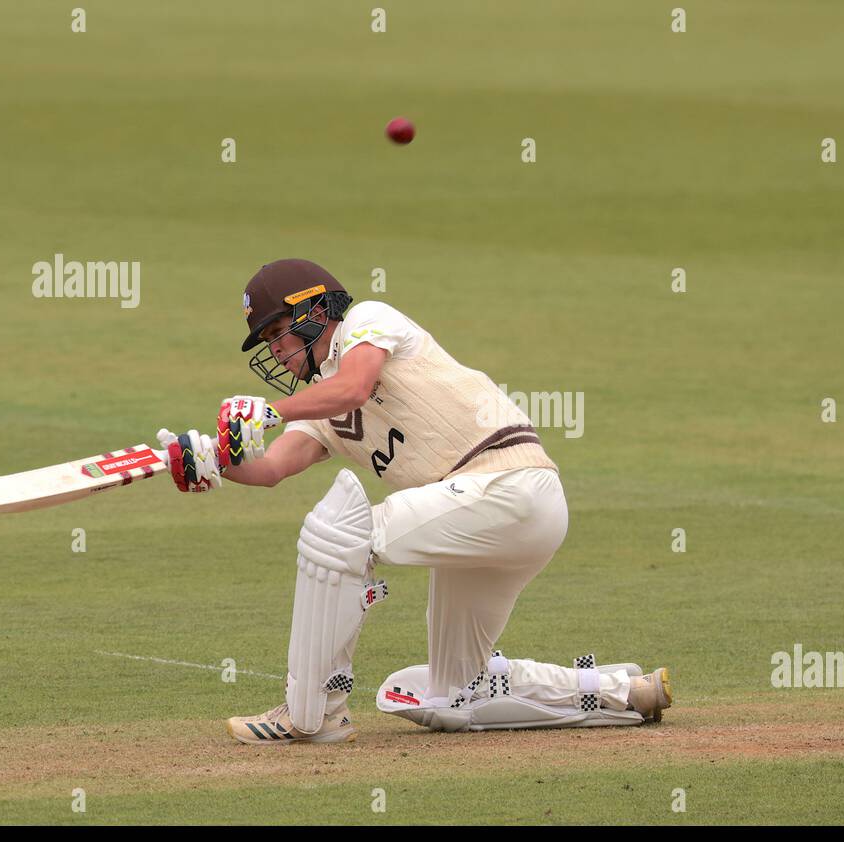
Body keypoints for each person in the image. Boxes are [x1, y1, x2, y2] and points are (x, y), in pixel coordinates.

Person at [156, 258, 671, 744]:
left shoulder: (367, 319)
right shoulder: (319, 404)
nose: (277, 353)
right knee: (453, 694)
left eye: (277, 334)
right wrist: (213, 464)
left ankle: (312, 713)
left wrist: (269, 410)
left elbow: (355, 387)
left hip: (507, 485)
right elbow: (271, 469)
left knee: (342, 535)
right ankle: (623, 692)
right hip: (490, 518)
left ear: (315, 311)